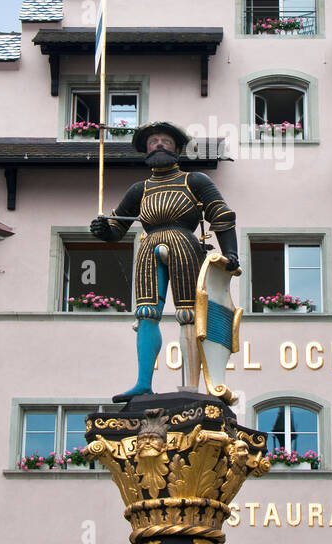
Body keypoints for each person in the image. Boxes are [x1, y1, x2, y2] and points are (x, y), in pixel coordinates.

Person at [89, 122, 239, 400]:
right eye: (153, 141)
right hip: (149, 246)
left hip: (185, 245)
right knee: (146, 313)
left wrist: (232, 253)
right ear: (145, 149)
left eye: (165, 141)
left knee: (188, 314)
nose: (158, 145)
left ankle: (191, 385)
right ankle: (143, 382)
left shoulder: (195, 181)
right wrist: (104, 230)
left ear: (177, 149)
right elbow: (117, 229)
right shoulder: (139, 190)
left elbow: (221, 215)